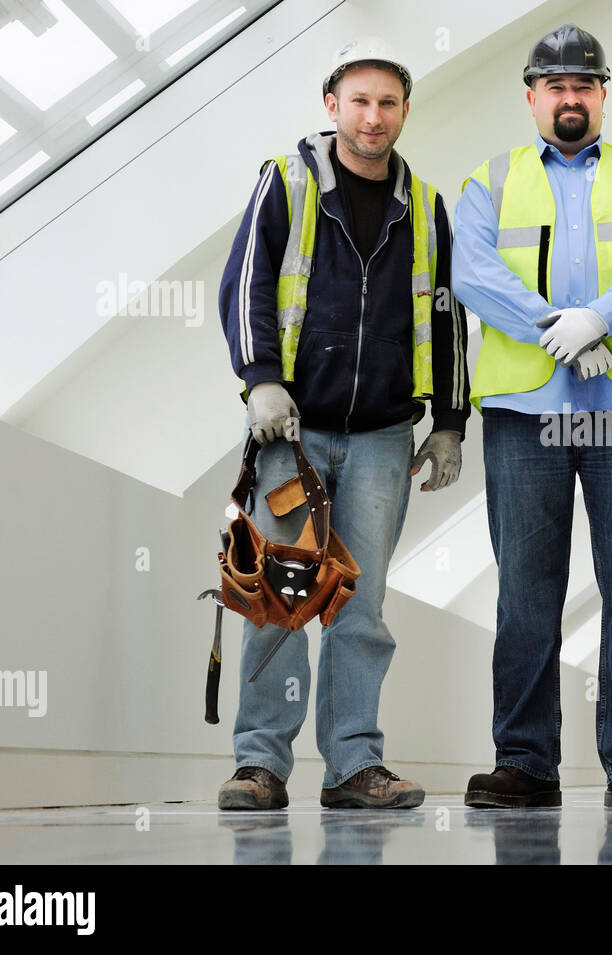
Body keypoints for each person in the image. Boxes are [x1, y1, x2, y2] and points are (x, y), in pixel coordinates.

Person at [215, 37, 469, 810]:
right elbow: (246, 284)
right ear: (333, 106)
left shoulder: (425, 206)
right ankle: (260, 763)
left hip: (385, 436)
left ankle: (355, 764)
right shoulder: (284, 182)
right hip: (291, 434)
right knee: (281, 595)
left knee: (361, 606)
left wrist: (452, 420)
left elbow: (448, 316)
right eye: (359, 101)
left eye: (388, 103)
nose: (373, 116)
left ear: (403, 112)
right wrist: (260, 379)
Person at [452, 23, 612, 810]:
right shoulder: (491, 179)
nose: (569, 98)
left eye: (583, 85)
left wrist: (602, 318)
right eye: (554, 86)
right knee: (526, 588)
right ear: (531, 98)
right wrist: (554, 328)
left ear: (603, 95)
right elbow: (473, 271)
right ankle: (524, 759)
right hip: (528, 413)